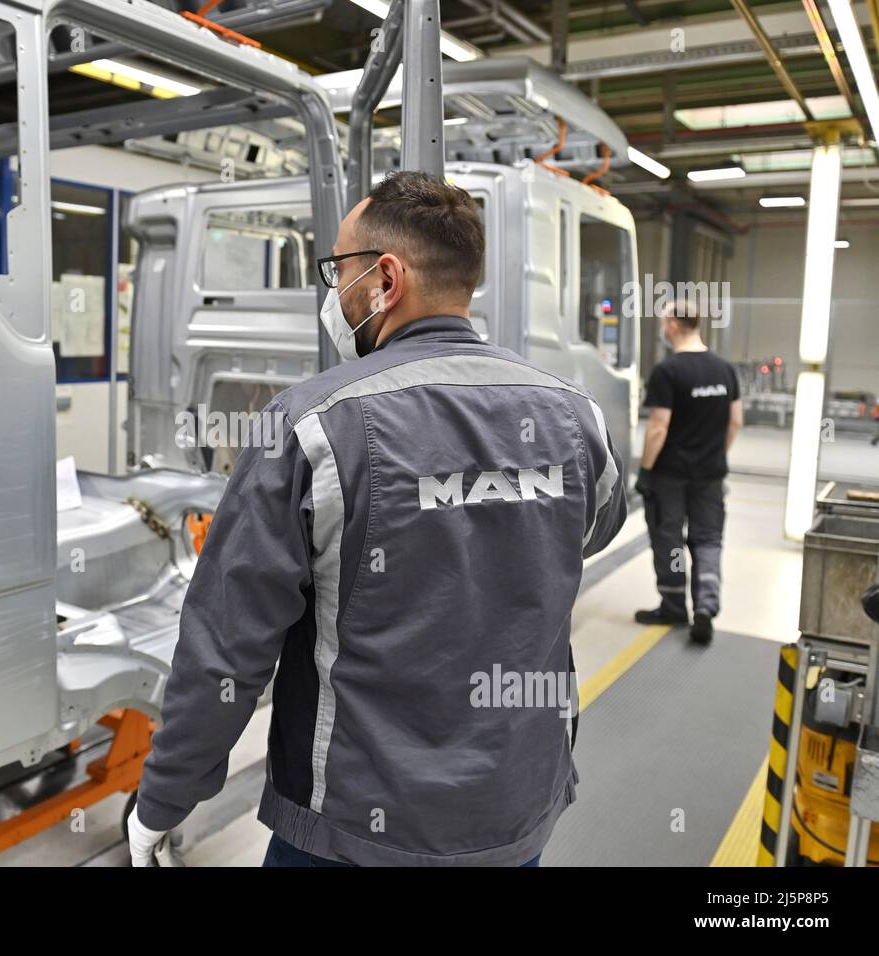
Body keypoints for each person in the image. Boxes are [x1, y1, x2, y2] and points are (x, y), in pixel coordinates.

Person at [127, 171, 627, 868]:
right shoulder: (577, 418)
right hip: (513, 819)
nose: (335, 294)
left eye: (339, 271)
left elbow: (227, 648)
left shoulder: (309, 427)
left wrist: (164, 798)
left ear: (386, 279)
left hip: (349, 832)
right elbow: (589, 533)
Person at [634, 300, 743, 643]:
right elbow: (736, 421)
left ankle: (674, 605)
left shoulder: (668, 371)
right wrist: (714, 454)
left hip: (671, 475)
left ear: (674, 326)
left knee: (670, 539)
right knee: (708, 539)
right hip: (710, 474)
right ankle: (706, 608)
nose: (664, 328)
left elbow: (658, 428)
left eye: (665, 322)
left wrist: (645, 470)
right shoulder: (725, 370)